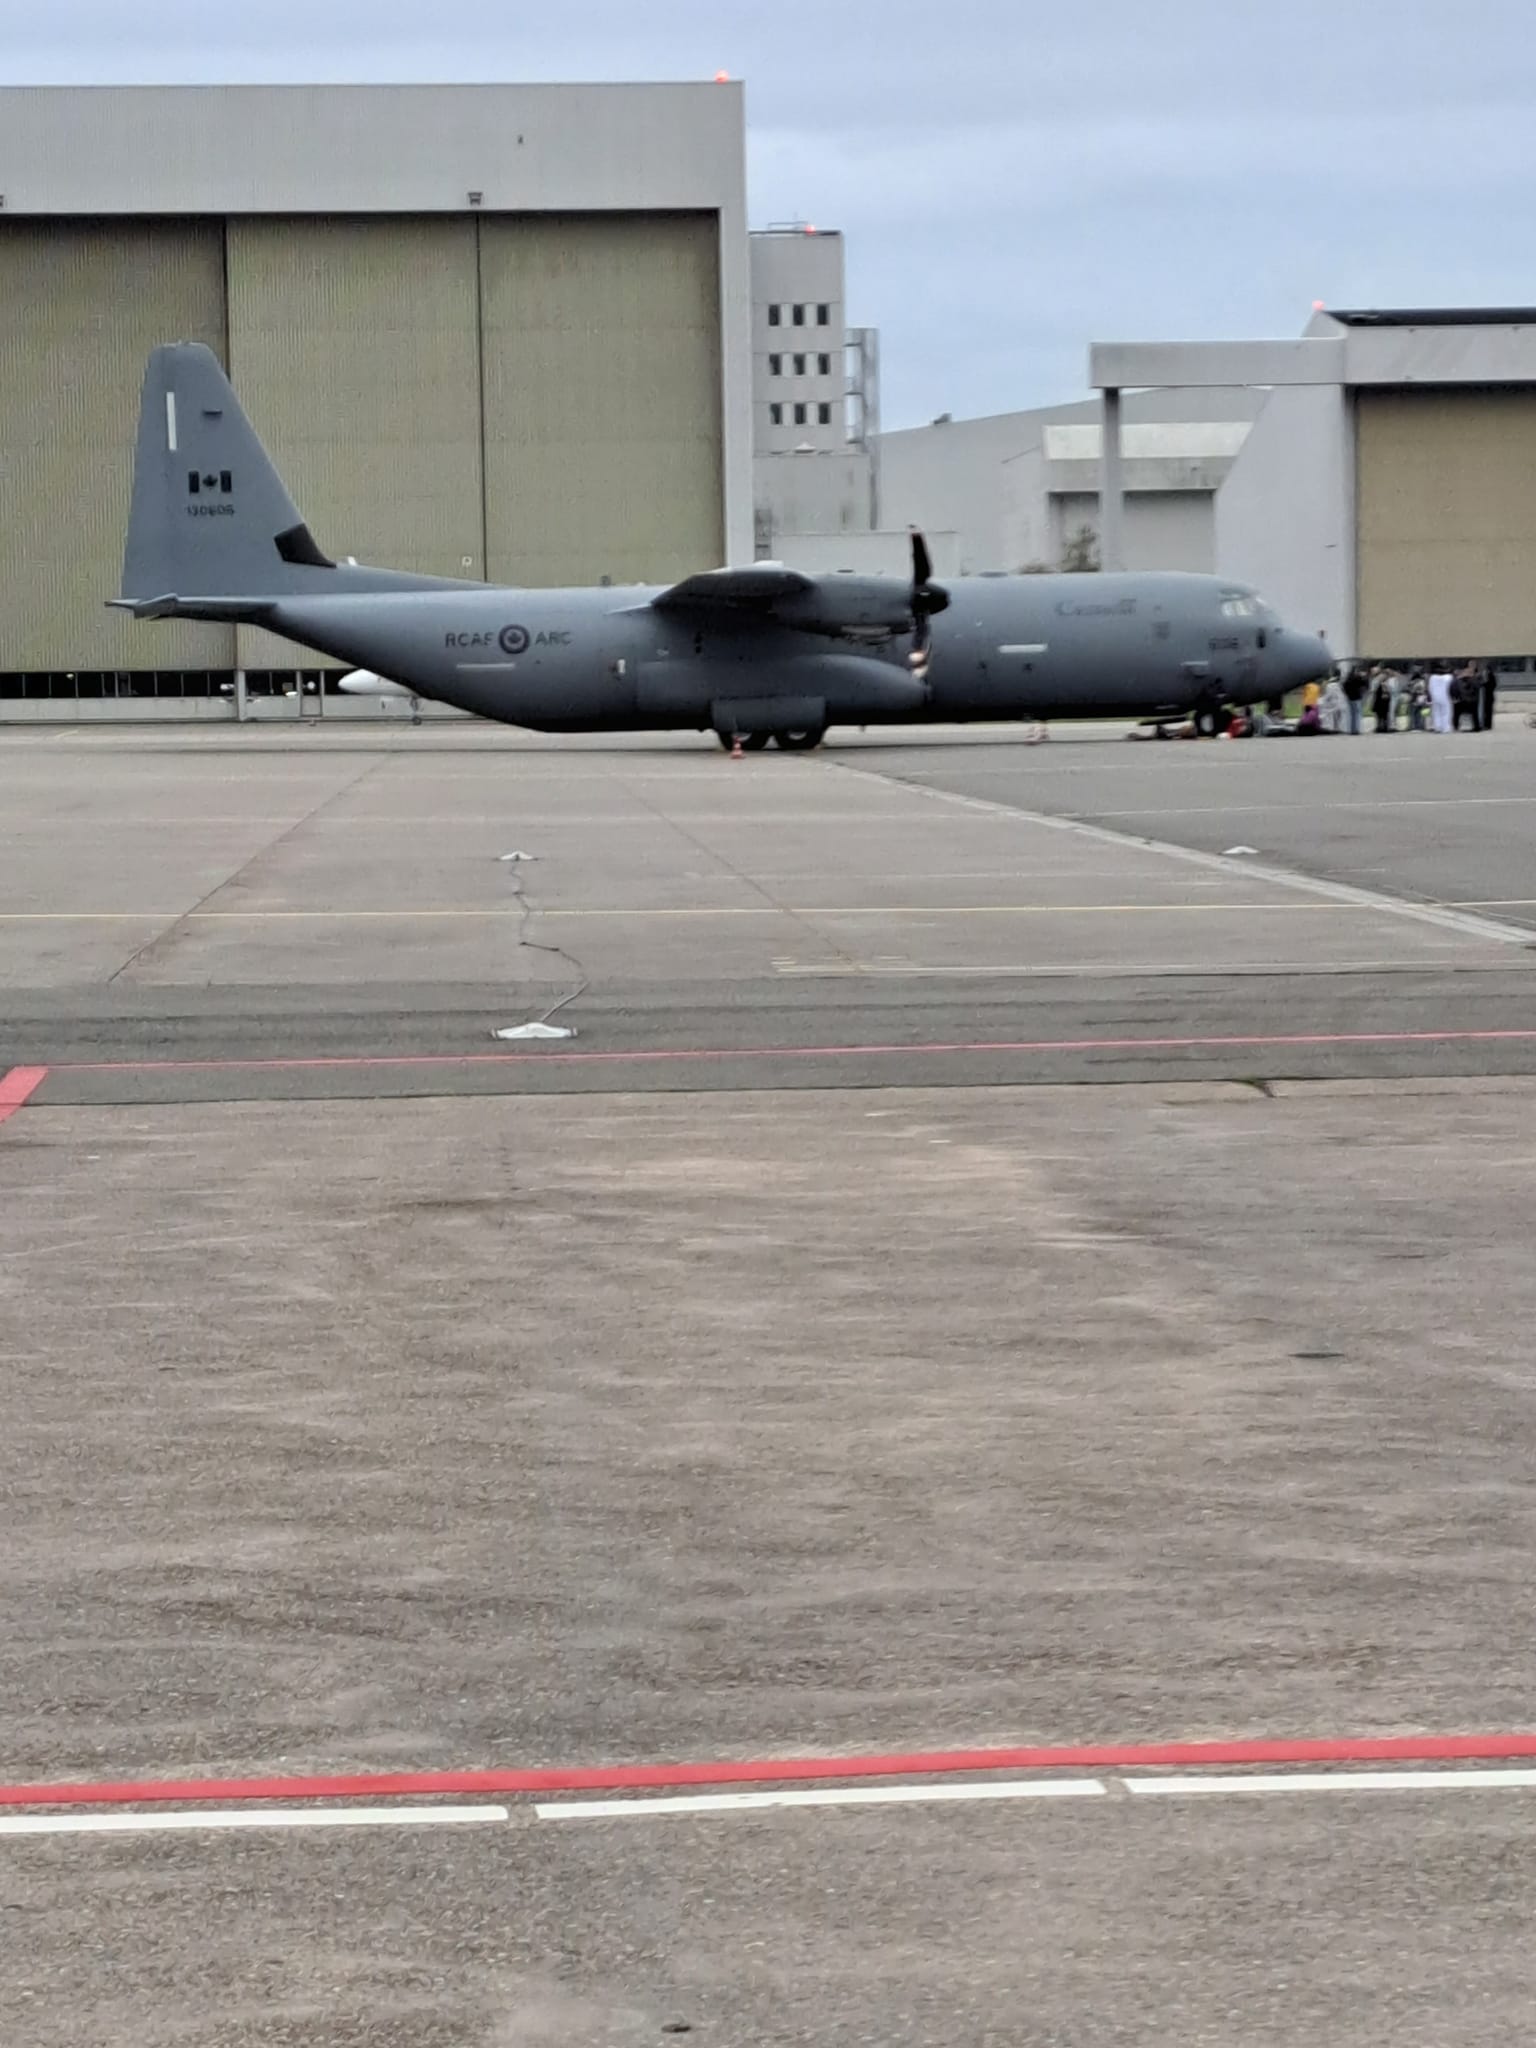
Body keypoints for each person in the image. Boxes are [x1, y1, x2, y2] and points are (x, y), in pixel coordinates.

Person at [1342, 663, 1369, 734]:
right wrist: (1365, 677)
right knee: (1357, 714)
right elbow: (1365, 685)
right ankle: (1357, 729)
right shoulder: (1357, 678)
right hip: (1357, 698)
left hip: (1349, 698)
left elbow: (1344, 688)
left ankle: (1351, 729)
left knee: (1351, 715)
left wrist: (1347, 694)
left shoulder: (1347, 679)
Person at [1428, 667, 1454, 734]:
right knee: (1446, 713)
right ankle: (1446, 728)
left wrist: (1430, 697)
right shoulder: (1449, 677)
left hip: (1435, 697)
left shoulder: (1432, 678)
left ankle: (1437, 728)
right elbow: (1453, 686)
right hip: (1445, 697)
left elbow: (1430, 688)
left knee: (1436, 713)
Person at [1370, 669, 1393, 734]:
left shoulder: (1377, 682)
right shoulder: (1387, 683)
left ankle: (1381, 727)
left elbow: (1373, 691)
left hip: (1380, 701)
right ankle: (1383, 727)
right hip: (1384, 701)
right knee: (1383, 715)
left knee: (1380, 715)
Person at [1480, 664, 1498, 732]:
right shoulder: (1491, 676)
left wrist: (1483, 685)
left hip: (1489, 697)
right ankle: (1488, 725)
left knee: (1488, 711)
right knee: (1488, 711)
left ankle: (1487, 725)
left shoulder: (1490, 676)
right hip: (1490, 696)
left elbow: (1489, 685)